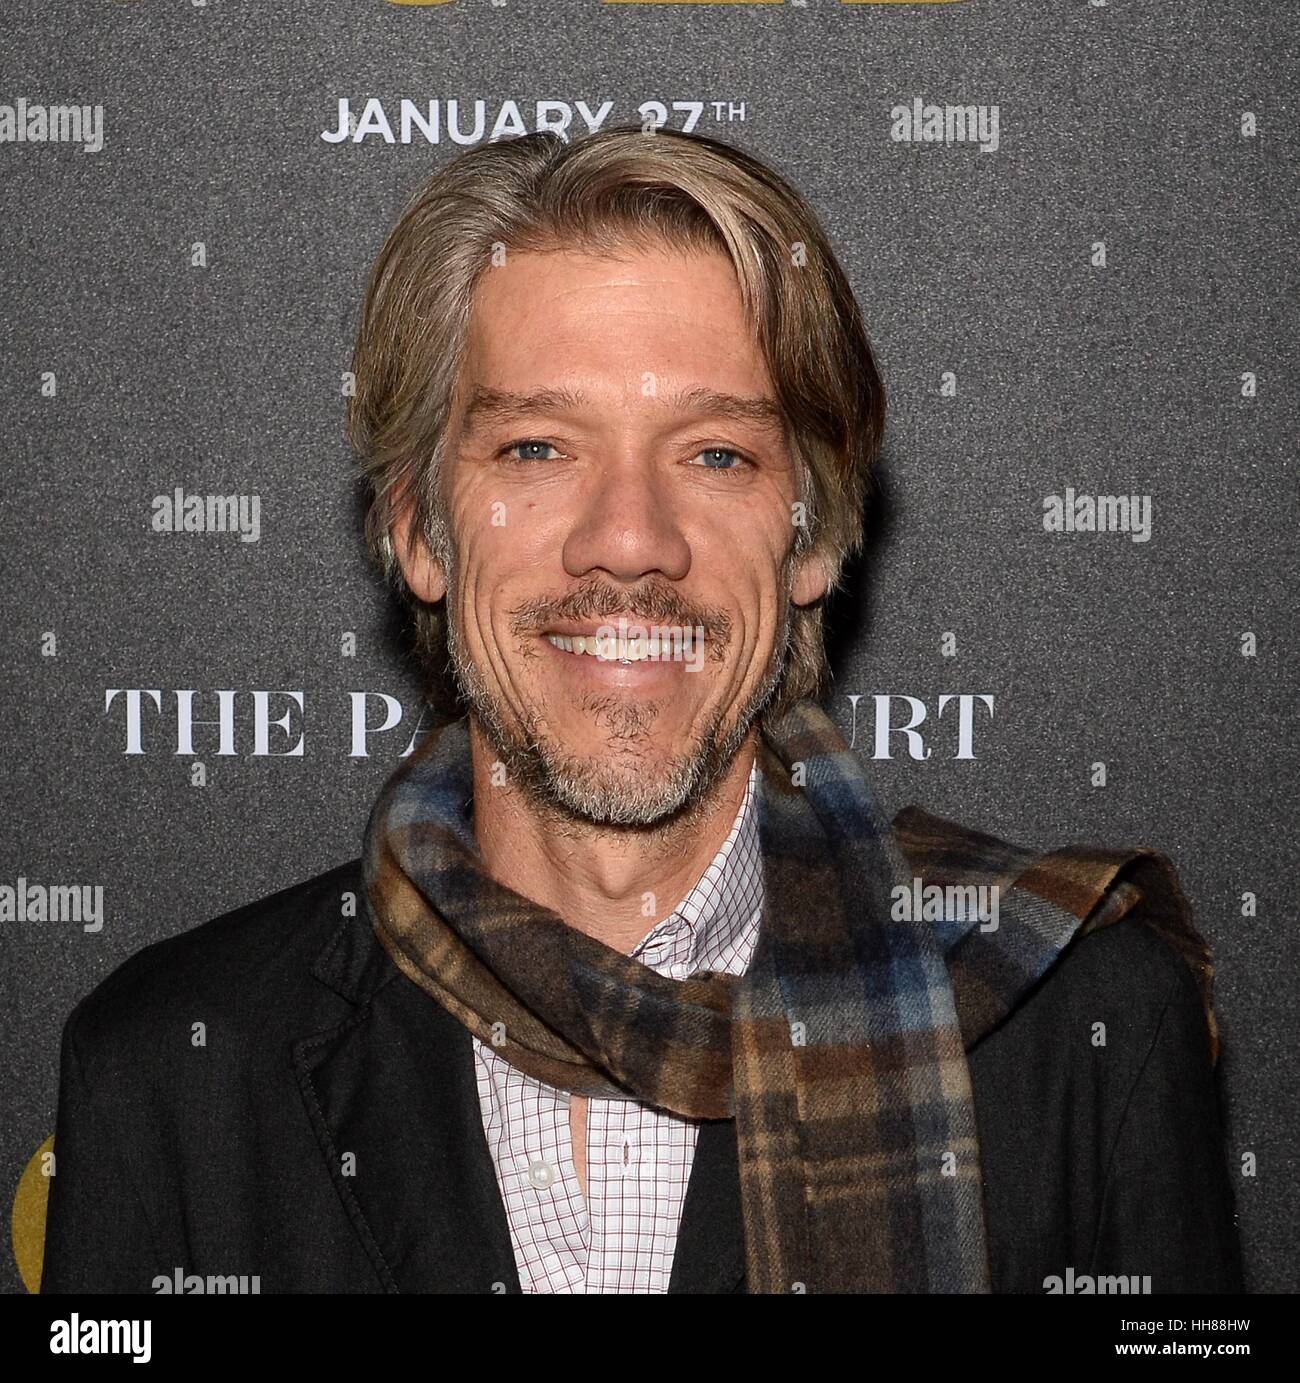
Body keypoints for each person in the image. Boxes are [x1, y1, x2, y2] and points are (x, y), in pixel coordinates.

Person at [41, 125, 1242, 1295]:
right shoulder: (175, 1064)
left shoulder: (1082, 1026)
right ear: (419, 528)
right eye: (536, 447)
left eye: (715, 454)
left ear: (812, 534)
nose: (629, 539)